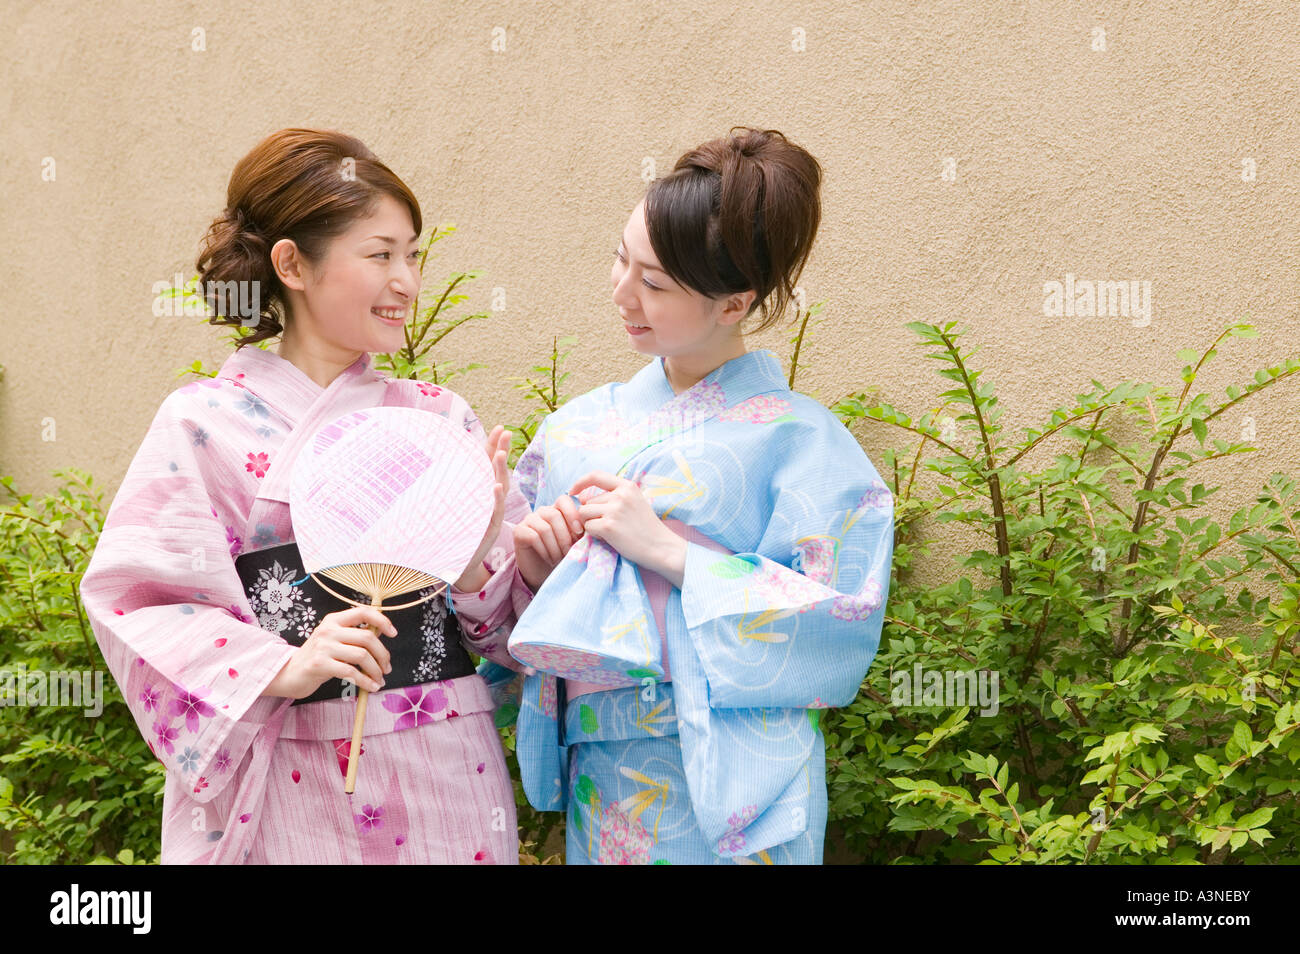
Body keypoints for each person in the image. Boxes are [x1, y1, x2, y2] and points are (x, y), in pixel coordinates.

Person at [79, 128, 527, 864]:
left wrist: (478, 561)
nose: (406, 281)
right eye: (380, 254)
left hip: (444, 761)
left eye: (412, 254)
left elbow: (503, 634)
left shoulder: (438, 419)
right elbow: (137, 603)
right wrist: (282, 665)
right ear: (290, 262)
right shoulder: (201, 426)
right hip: (288, 767)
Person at [486, 126, 896, 864]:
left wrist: (671, 555)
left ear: (735, 303)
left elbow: (845, 615)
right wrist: (538, 576)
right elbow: (514, 633)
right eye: (622, 259)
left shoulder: (802, 439)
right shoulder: (572, 430)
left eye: (655, 284)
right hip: (605, 776)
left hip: (741, 771)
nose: (622, 293)